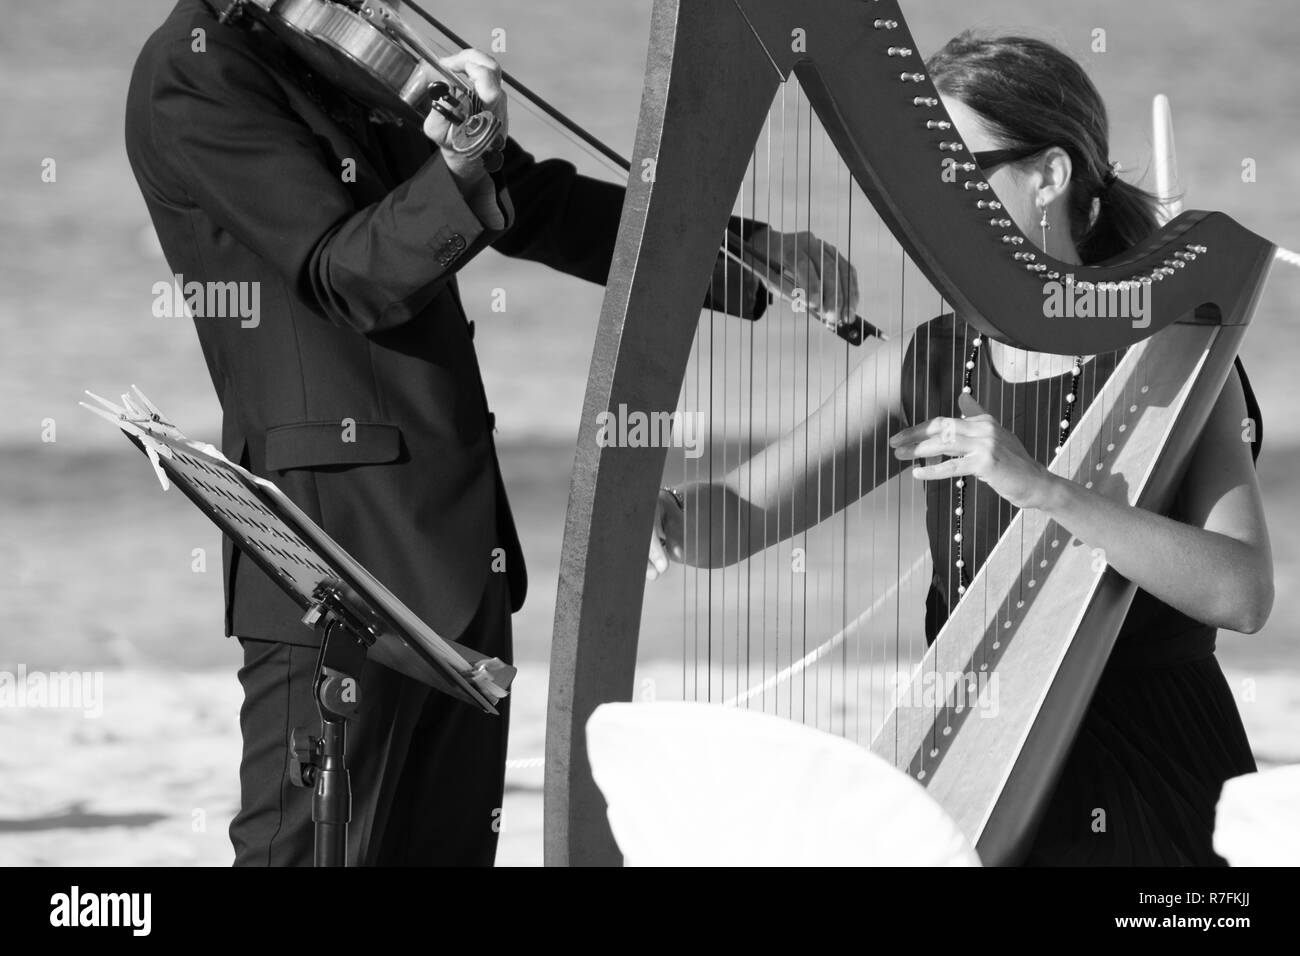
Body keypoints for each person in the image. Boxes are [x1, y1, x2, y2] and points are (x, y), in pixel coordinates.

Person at [124, 0, 857, 865]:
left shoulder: (324, 41)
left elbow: (525, 199)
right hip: (333, 553)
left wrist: (733, 250)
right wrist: (462, 165)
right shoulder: (197, 72)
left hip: (462, 542)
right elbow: (346, 271)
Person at [646, 32, 1271, 866]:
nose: (933, 209)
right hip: (977, 753)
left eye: (961, 175)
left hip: (1156, 770)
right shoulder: (923, 364)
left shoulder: (1180, 363)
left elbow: (1240, 591)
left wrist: (1044, 489)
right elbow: (728, 524)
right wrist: (645, 511)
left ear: (1050, 175)